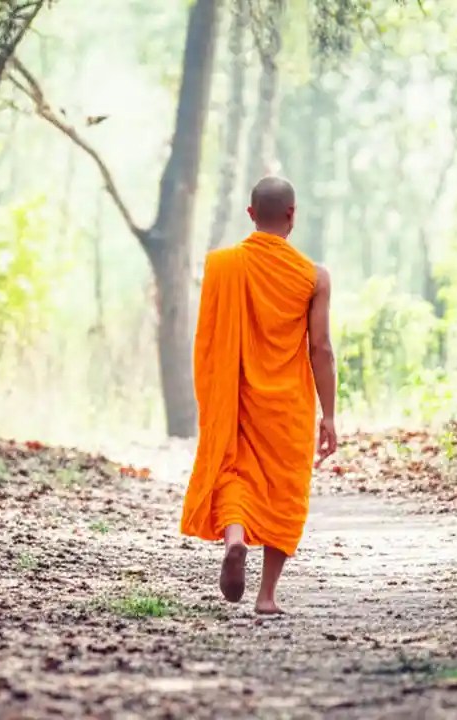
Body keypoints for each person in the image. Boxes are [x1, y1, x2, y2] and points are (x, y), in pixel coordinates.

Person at [180, 176, 337, 615]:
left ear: (251, 215)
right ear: (292, 215)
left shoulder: (226, 266)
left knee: (236, 474)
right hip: (288, 404)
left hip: (239, 395)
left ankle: (234, 540)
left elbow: (211, 336)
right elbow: (320, 348)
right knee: (284, 491)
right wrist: (329, 415)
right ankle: (267, 596)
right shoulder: (313, 277)